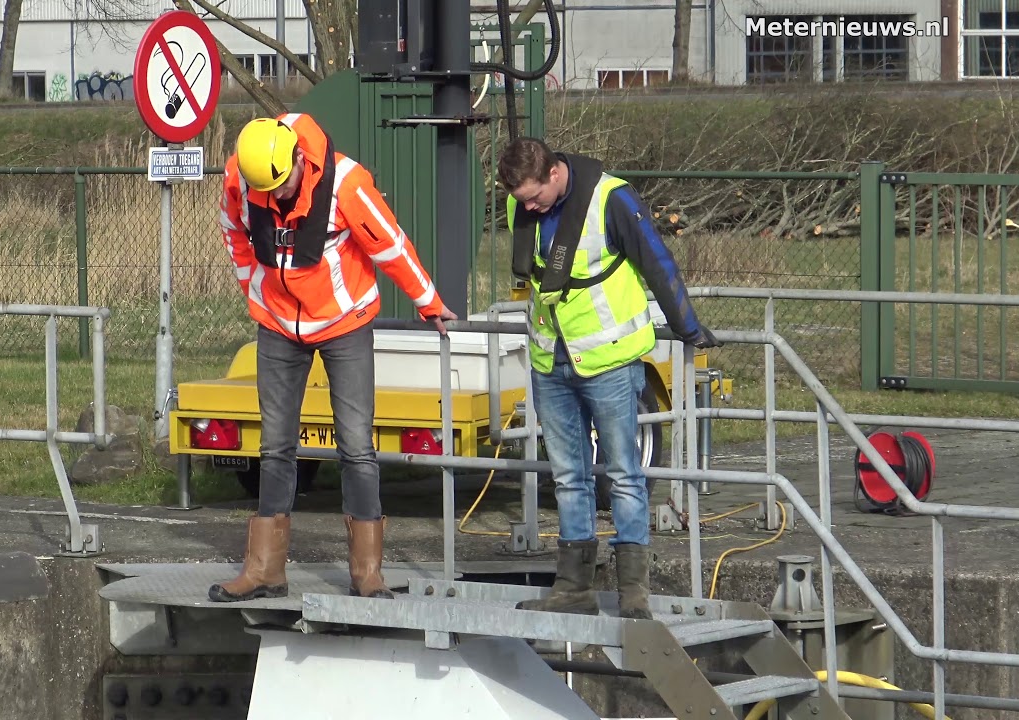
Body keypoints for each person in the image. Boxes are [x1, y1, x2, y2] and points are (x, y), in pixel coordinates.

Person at [208, 113, 458, 603]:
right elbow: (232, 230)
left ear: (300, 159)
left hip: (345, 324)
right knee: (275, 447)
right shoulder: (242, 176)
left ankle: (368, 575)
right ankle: (264, 571)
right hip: (278, 324)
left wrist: (428, 300)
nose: (277, 199)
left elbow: (390, 245)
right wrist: (252, 288)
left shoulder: (348, 183)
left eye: (283, 188)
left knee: (356, 447)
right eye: (268, 193)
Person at [496, 136, 720, 619]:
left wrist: (687, 325)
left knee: (623, 474)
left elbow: (657, 260)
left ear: (555, 174)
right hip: (550, 359)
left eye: (534, 197)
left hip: (610, 362)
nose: (528, 207)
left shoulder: (611, 198)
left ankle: (632, 592)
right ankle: (573, 587)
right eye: (521, 201)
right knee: (568, 477)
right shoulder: (525, 205)